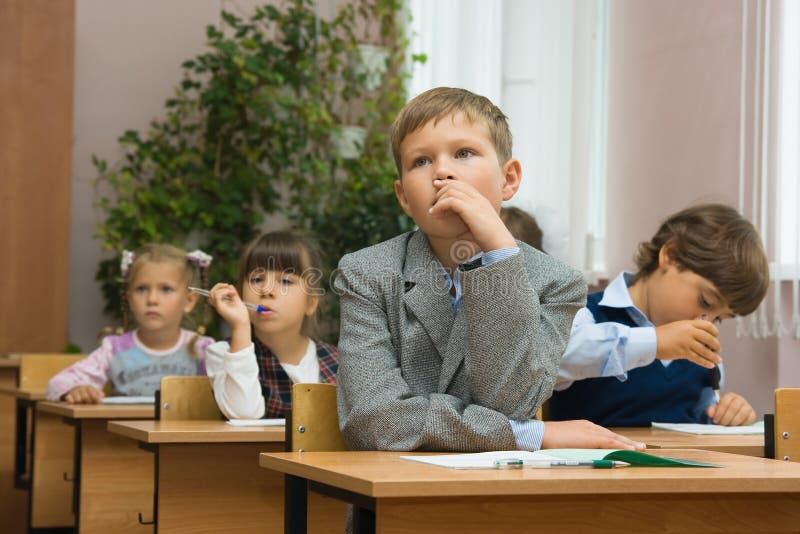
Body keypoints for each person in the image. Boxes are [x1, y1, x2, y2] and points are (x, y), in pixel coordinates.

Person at [334, 87, 644, 452]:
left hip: (505, 494)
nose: (443, 172)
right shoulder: (366, 273)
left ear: (508, 179)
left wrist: (498, 253)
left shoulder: (557, 283)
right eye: (421, 161)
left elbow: (509, 400)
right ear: (404, 197)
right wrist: (528, 434)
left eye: (464, 153)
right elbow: (375, 420)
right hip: (391, 497)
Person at [550, 203, 769, 427]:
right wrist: (656, 342)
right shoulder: (582, 313)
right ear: (671, 256)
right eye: (706, 301)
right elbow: (555, 359)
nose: (707, 322)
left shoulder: (704, 357)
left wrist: (729, 414)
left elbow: (701, 418)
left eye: (720, 318)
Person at [47, 245, 214, 403]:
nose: (152, 299)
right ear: (129, 299)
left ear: (189, 300)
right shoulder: (114, 349)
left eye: (166, 289)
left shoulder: (204, 349)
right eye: (141, 289)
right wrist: (76, 390)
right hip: (123, 434)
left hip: (183, 434)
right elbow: (58, 383)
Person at [204, 230, 338, 420]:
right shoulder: (223, 354)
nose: (266, 290)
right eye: (256, 279)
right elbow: (244, 414)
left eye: (285, 281)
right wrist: (241, 326)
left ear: (311, 303)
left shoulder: (340, 363)